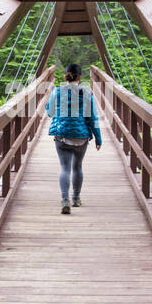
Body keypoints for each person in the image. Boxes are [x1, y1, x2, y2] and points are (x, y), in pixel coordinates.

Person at [45, 63, 102, 215]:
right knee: (77, 167)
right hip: (81, 137)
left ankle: (65, 200)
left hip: (62, 136)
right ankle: (76, 198)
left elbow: (49, 113)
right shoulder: (87, 93)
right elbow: (93, 118)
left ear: (66, 76)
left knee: (65, 168)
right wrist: (98, 138)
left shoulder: (56, 91)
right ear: (79, 77)